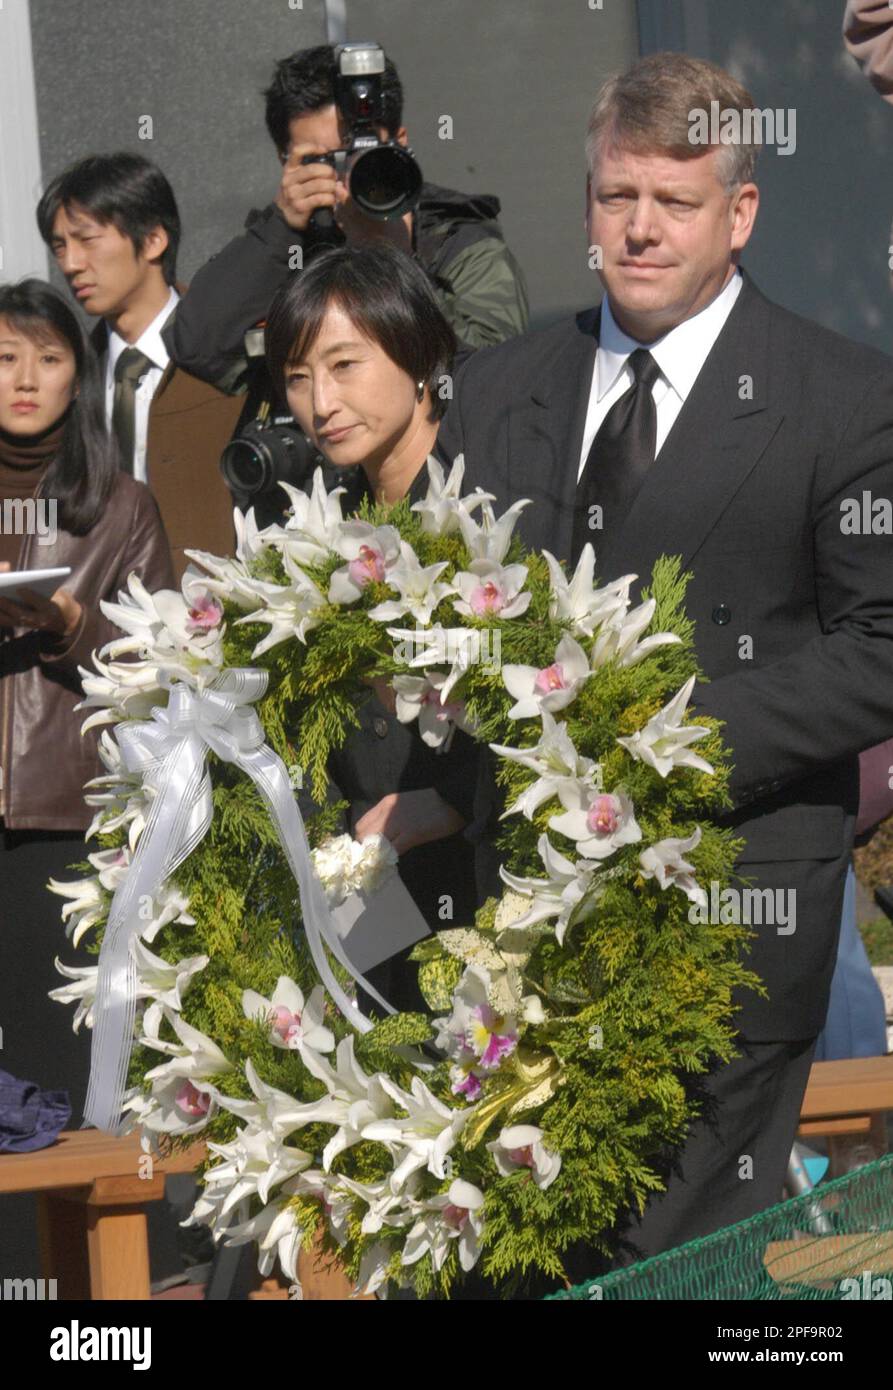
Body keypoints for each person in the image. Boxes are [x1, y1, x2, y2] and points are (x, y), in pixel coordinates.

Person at [435, 51, 893, 1271]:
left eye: (673, 202)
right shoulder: (496, 388)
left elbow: (880, 649)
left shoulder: (841, 398)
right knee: (518, 1259)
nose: (636, 230)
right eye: (613, 197)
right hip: (518, 923)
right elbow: (439, 601)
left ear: (737, 213)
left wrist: (660, 739)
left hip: (725, 906)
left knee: (677, 1266)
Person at [0, 279, 173, 1277]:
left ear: (81, 375)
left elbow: (166, 668)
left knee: (52, 1095)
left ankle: (73, 1308)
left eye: (49, 358)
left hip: (64, 823)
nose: (25, 380)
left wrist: (77, 627)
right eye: (7, 358)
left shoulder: (121, 502)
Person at [263, 242, 484, 1011]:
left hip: (492, 890)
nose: (319, 402)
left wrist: (453, 800)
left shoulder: (489, 509)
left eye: (343, 365)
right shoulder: (317, 530)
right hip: (365, 902)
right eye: (296, 377)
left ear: (420, 354)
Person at [166, 42, 529, 403]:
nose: (346, 176)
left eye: (359, 155)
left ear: (400, 144)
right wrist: (280, 228)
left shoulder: (456, 241)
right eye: (322, 160)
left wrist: (396, 262)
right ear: (286, 161)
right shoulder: (284, 250)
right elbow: (196, 345)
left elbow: (491, 374)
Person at [36, 153, 242, 581]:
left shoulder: (232, 354)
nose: (70, 264)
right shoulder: (66, 379)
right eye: (60, 246)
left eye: (86, 239)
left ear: (152, 240)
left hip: (226, 621)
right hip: (103, 629)